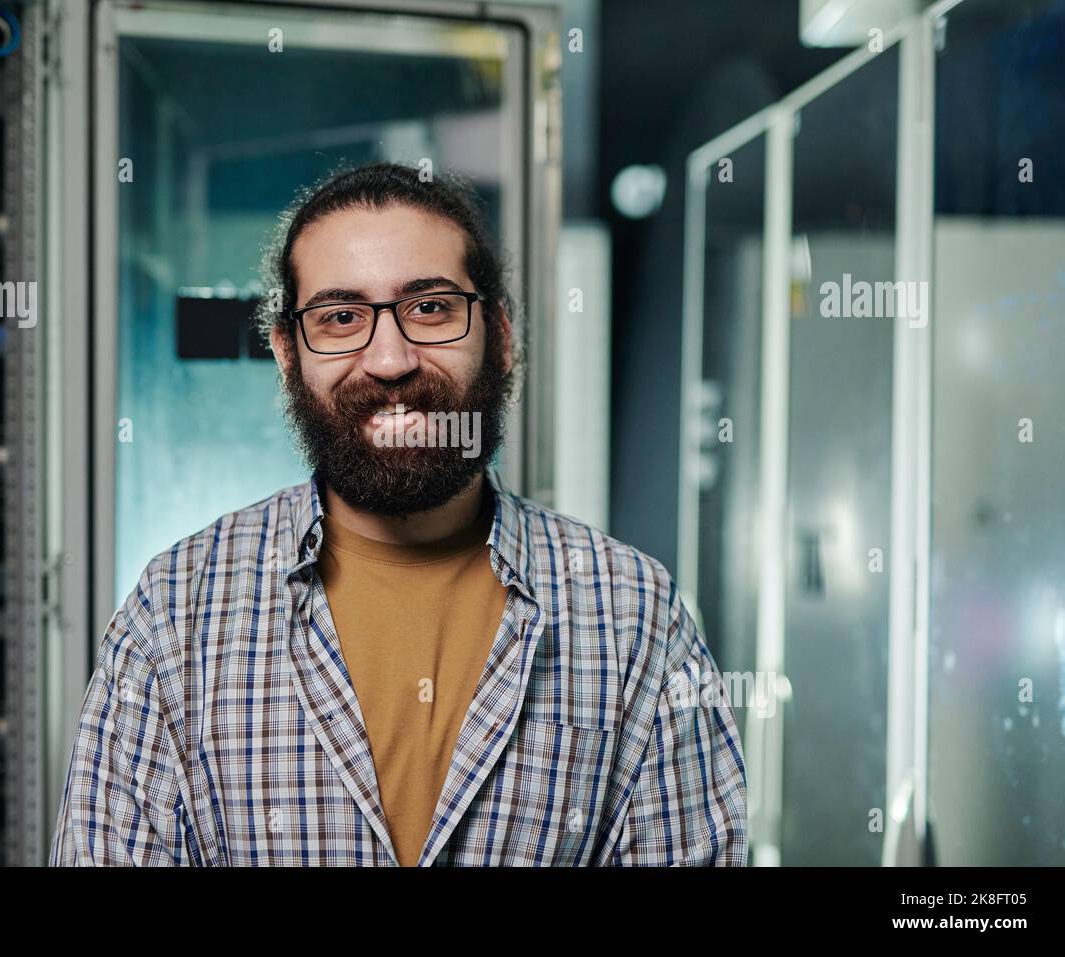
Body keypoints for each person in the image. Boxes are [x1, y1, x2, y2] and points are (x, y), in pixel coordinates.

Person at [50, 161, 746, 866]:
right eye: (341, 317)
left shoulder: (633, 616)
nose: (389, 358)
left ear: (501, 336)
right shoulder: (176, 613)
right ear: (289, 357)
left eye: (431, 308)